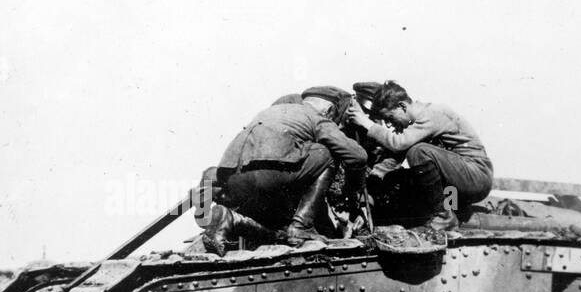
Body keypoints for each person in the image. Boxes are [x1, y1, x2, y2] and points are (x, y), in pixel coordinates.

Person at [209, 87, 368, 248]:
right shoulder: (317, 117)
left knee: (277, 230)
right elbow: (358, 156)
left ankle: (228, 218)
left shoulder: (271, 112)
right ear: (328, 110)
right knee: (328, 154)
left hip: (232, 178)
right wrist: (353, 191)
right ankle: (301, 226)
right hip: (266, 176)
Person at [345, 80, 493, 230]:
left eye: (390, 118)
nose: (389, 125)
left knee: (418, 152)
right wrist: (368, 200)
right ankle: (451, 215)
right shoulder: (415, 126)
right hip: (456, 185)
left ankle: (443, 216)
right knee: (396, 177)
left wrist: (366, 122)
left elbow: (398, 143)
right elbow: (390, 161)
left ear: (402, 106)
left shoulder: (432, 113)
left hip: (477, 177)